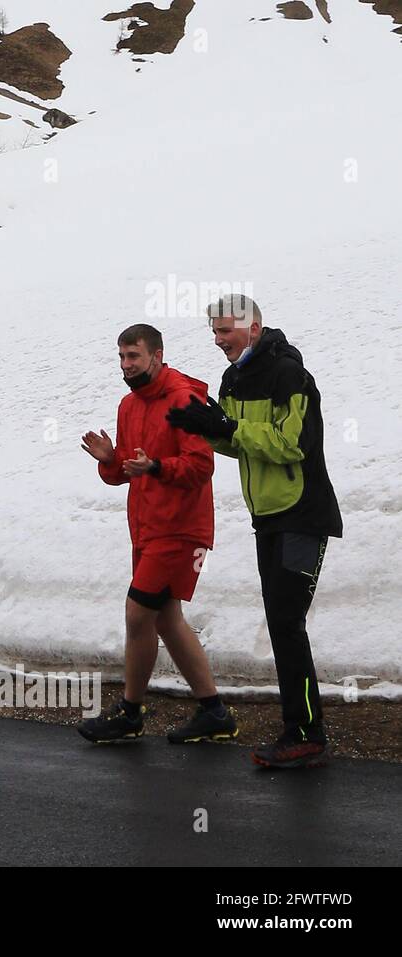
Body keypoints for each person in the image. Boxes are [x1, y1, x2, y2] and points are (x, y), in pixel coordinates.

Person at [168, 295, 342, 768]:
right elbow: (238, 444)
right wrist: (206, 429)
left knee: (287, 624)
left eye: (226, 331)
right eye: (214, 332)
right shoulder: (233, 378)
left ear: (255, 327)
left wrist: (228, 425)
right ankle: (302, 730)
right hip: (267, 516)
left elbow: (290, 444)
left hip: (303, 514)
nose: (219, 340)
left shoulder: (290, 374)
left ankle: (306, 734)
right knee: (283, 624)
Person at [79, 325, 236, 744]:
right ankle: (214, 712)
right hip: (147, 529)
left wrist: (157, 468)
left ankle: (130, 712)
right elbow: (125, 472)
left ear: (156, 355)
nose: (126, 365)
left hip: (182, 530)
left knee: (137, 614)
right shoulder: (129, 405)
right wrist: (112, 460)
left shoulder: (184, 399)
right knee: (166, 618)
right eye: (121, 357)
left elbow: (201, 466)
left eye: (134, 356)